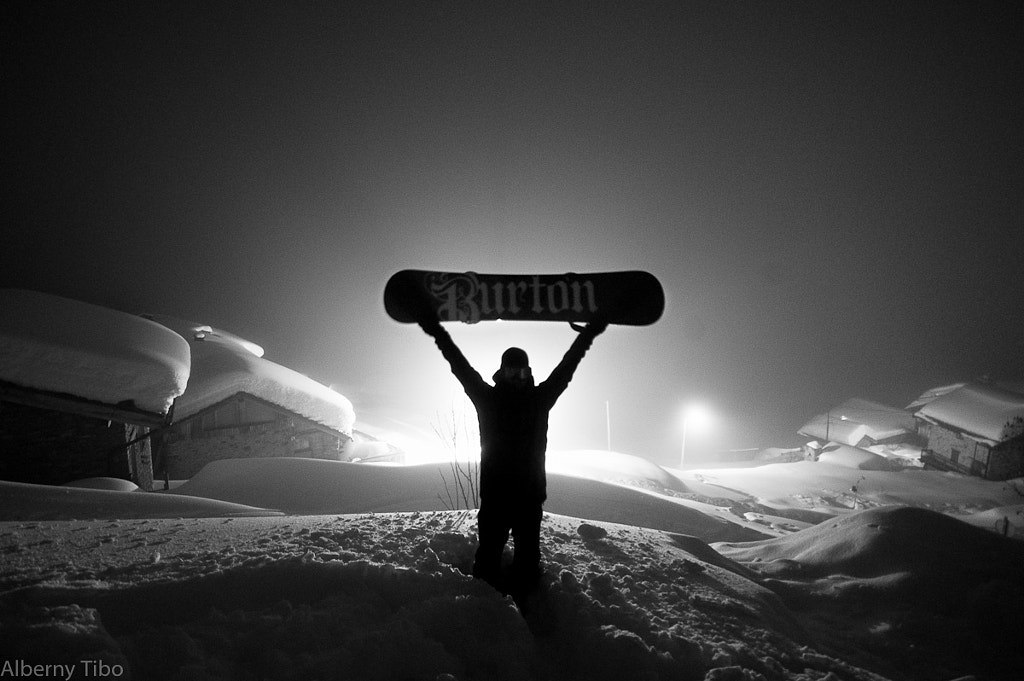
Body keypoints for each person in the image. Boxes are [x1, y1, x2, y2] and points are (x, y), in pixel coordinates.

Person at [418, 315, 607, 597]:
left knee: (527, 564)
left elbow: (568, 367)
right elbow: (459, 364)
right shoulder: (489, 399)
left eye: (521, 373)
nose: (517, 379)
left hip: (528, 501)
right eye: (511, 373)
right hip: (496, 500)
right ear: (502, 372)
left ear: (528, 372)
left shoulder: (539, 399)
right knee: (488, 562)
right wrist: (434, 328)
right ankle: (487, 614)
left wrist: (588, 335)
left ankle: (525, 613)